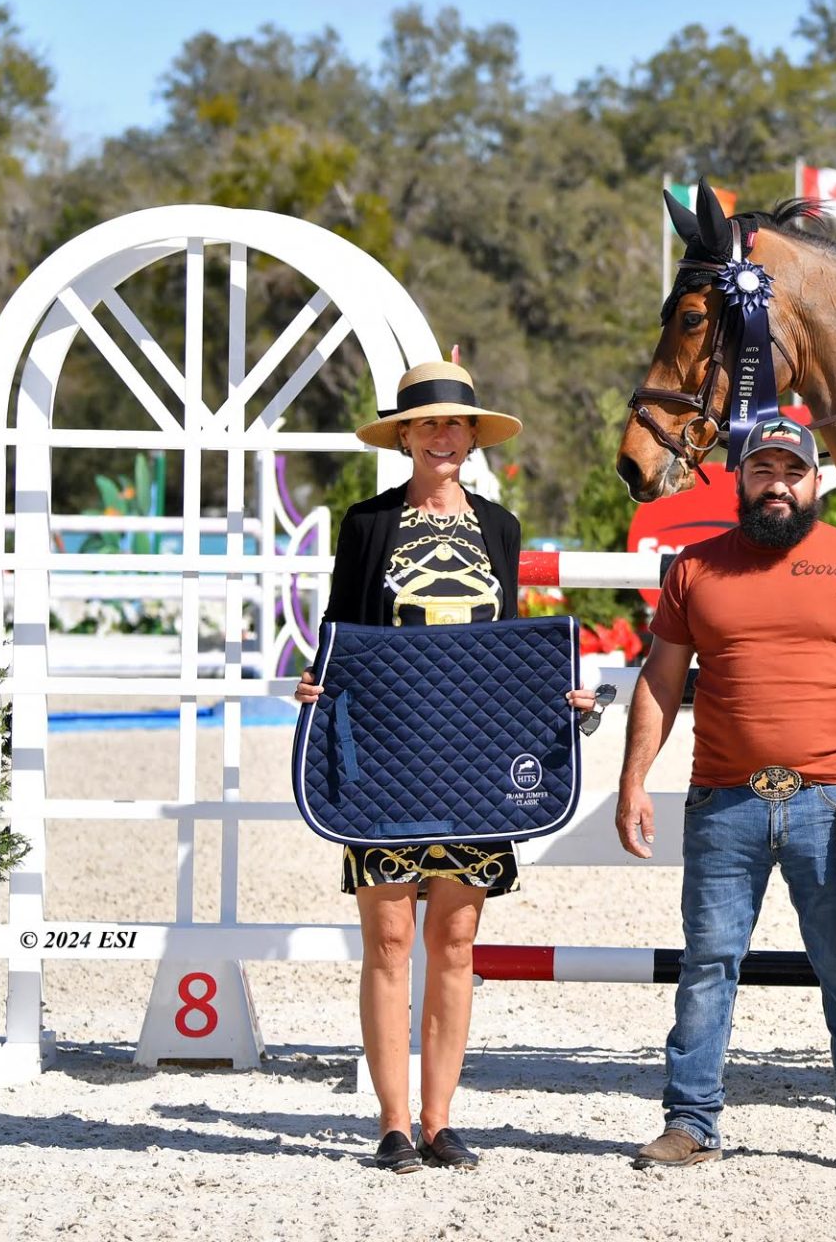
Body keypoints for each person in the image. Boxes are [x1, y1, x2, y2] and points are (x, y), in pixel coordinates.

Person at [295, 357, 598, 1173]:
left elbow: (506, 649)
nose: (442, 435)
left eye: (455, 423)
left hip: (473, 759)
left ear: (472, 436)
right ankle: (393, 1122)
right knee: (390, 939)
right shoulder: (367, 524)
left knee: (456, 940)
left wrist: (560, 697)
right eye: (426, 423)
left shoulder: (500, 527)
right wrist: (317, 685)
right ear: (404, 437)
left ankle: (440, 1120)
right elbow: (341, 632)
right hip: (387, 754)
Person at [617, 416, 836, 1177]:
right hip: (723, 803)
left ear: (816, 482)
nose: (778, 485)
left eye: (793, 471)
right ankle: (690, 1122)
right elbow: (661, 680)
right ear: (740, 479)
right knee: (708, 964)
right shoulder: (694, 568)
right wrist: (633, 780)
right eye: (763, 470)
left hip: (831, 803)